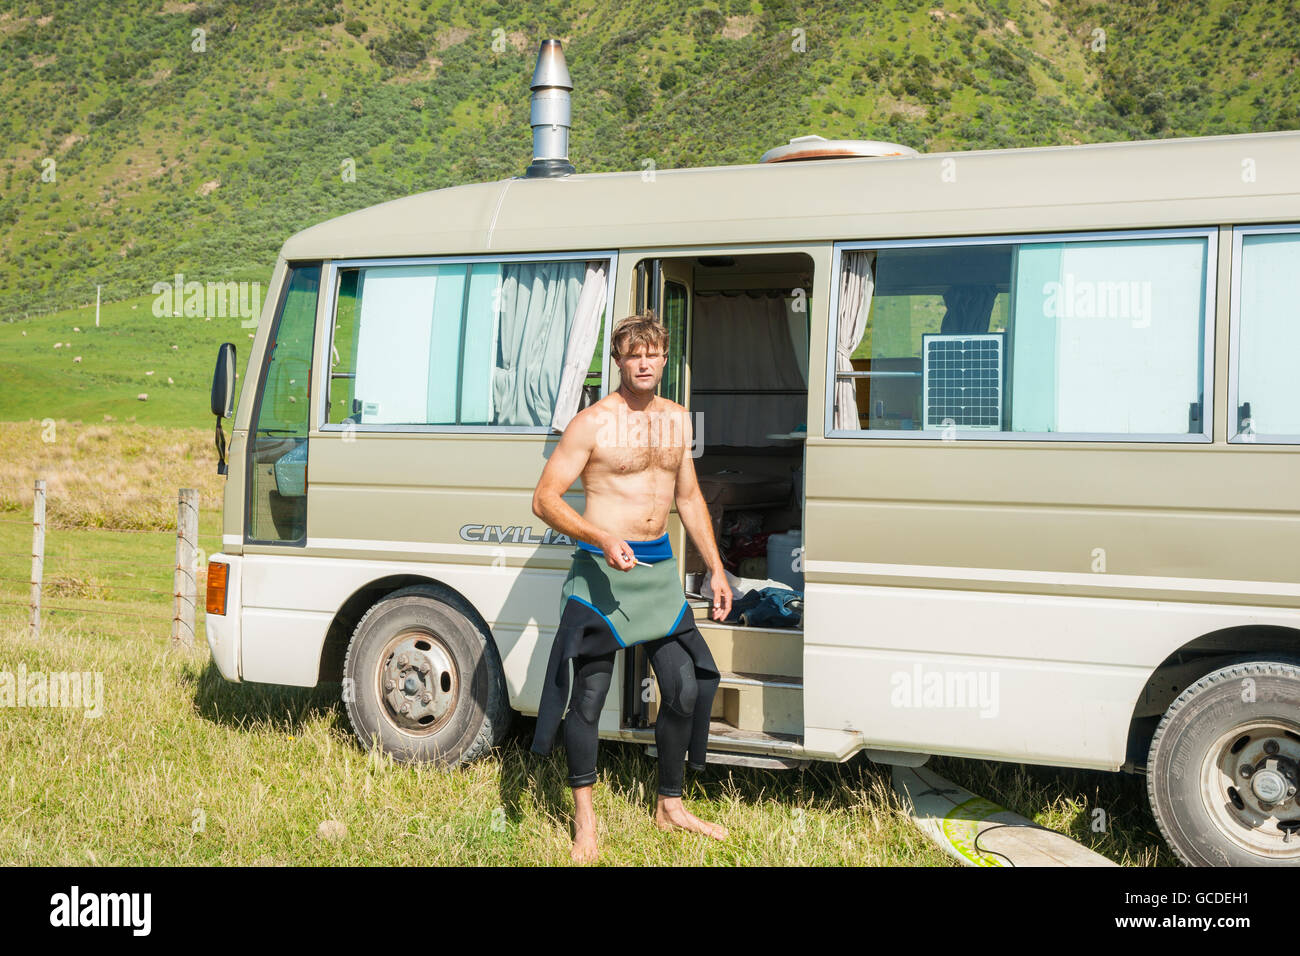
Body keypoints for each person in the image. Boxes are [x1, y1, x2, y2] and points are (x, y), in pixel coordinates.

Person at [529, 309, 734, 863]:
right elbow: (544, 498)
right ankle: (586, 823)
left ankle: (670, 806)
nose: (644, 362)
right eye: (632, 353)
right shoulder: (591, 422)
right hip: (602, 574)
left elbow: (688, 498)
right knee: (589, 701)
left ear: (665, 358)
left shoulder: (677, 420)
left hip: (659, 571)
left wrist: (715, 567)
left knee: (686, 690)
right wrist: (598, 538)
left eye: (653, 353)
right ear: (618, 360)